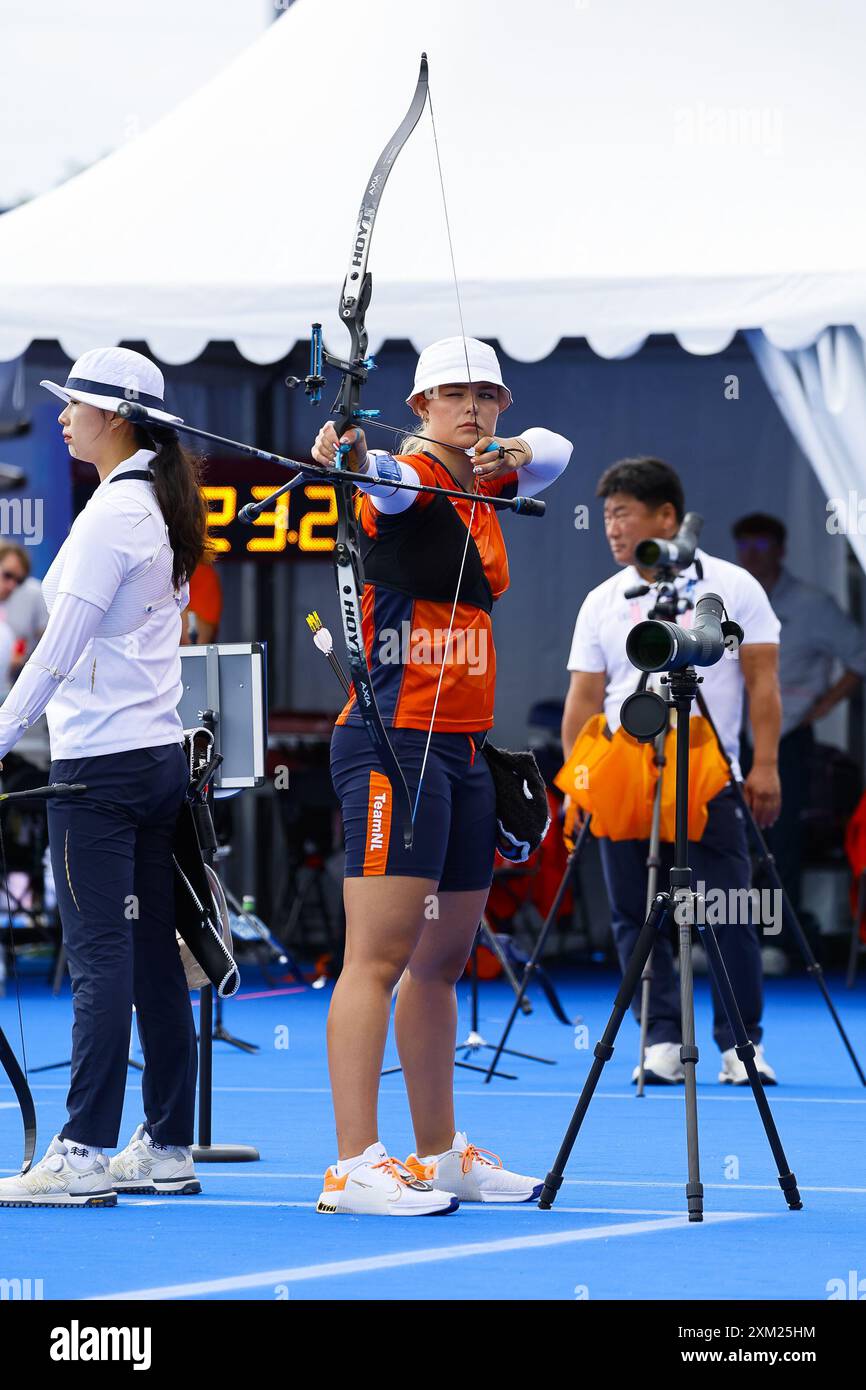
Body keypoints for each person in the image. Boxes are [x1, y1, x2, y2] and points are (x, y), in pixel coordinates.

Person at [312, 336, 572, 1215]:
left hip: (463, 750)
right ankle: (353, 1165)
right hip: (394, 747)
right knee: (377, 957)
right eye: (454, 394)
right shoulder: (415, 477)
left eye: (488, 395)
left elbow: (558, 452)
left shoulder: (490, 478)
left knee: (442, 962)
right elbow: (383, 475)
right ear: (419, 406)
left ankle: (438, 1153)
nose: (474, 408)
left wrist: (523, 447)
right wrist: (354, 454)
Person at [0, 347, 210, 1208]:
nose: (61, 416)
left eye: (74, 404)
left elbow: (58, 649)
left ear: (114, 417)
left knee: (99, 956)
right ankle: (165, 1142)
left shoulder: (113, 518)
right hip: (152, 762)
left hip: (102, 774)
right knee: (151, 955)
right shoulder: (151, 506)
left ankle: (83, 1149)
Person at [562, 458, 782, 1086]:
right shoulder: (603, 600)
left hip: (709, 775)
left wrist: (764, 765)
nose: (611, 527)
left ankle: (740, 1045)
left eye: (623, 513)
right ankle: (659, 1037)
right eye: (605, 515)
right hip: (624, 775)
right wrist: (579, 785)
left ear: (666, 517)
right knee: (635, 911)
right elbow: (583, 700)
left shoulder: (732, 587)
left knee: (729, 908)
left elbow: (763, 682)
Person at [733, 512, 866, 924]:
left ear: (780, 551)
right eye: (745, 547)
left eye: (761, 547)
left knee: (782, 837)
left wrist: (824, 704)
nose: (752, 556)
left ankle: (777, 937)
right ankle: (729, 931)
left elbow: (859, 656)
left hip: (788, 735)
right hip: (736, 735)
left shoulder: (812, 604)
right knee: (733, 836)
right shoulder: (730, 599)